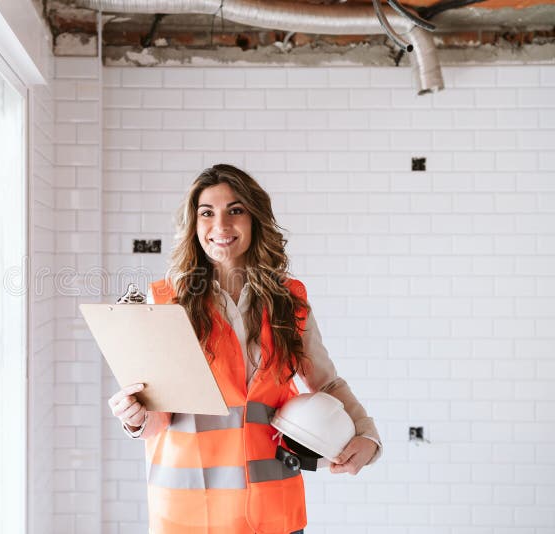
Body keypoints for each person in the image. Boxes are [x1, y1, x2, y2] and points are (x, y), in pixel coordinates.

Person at [107, 164, 382, 534]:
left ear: (255, 219)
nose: (220, 225)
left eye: (235, 210)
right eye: (207, 213)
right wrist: (134, 417)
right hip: (190, 515)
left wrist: (367, 436)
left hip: (273, 509)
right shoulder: (166, 301)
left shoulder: (288, 299)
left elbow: (326, 383)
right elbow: (158, 413)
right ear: (194, 225)